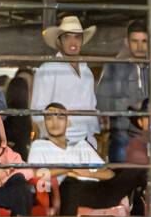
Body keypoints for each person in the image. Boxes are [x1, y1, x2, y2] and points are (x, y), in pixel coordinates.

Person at [29, 103, 147, 217]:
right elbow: (35, 174)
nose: (55, 122)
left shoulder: (81, 146)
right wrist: (69, 169)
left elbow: (108, 173)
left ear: (68, 121)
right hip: (62, 194)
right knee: (71, 184)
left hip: (95, 192)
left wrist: (86, 173)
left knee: (129, 170)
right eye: (49, 117)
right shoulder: (40, 146)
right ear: (44, 122)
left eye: (60, 117)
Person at [96, 19, 151, 164]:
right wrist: (130, 104)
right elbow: (102, 102)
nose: (139, 47)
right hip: (124, 134)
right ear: (127, 42)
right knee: (126, 175)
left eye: (144, 41)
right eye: (135, 41)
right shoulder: (114, 68)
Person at [31, 15, 100, 148]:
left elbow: (92, 107)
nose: (72, 42)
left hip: (87, 142)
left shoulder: (87, 72)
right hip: (58, 143)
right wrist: (55, 135)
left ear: (82, 40)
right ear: (59, 41)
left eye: (77, 37)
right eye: (67, 37)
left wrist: (94, 132)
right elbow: (37, 112)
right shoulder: (48, 69)